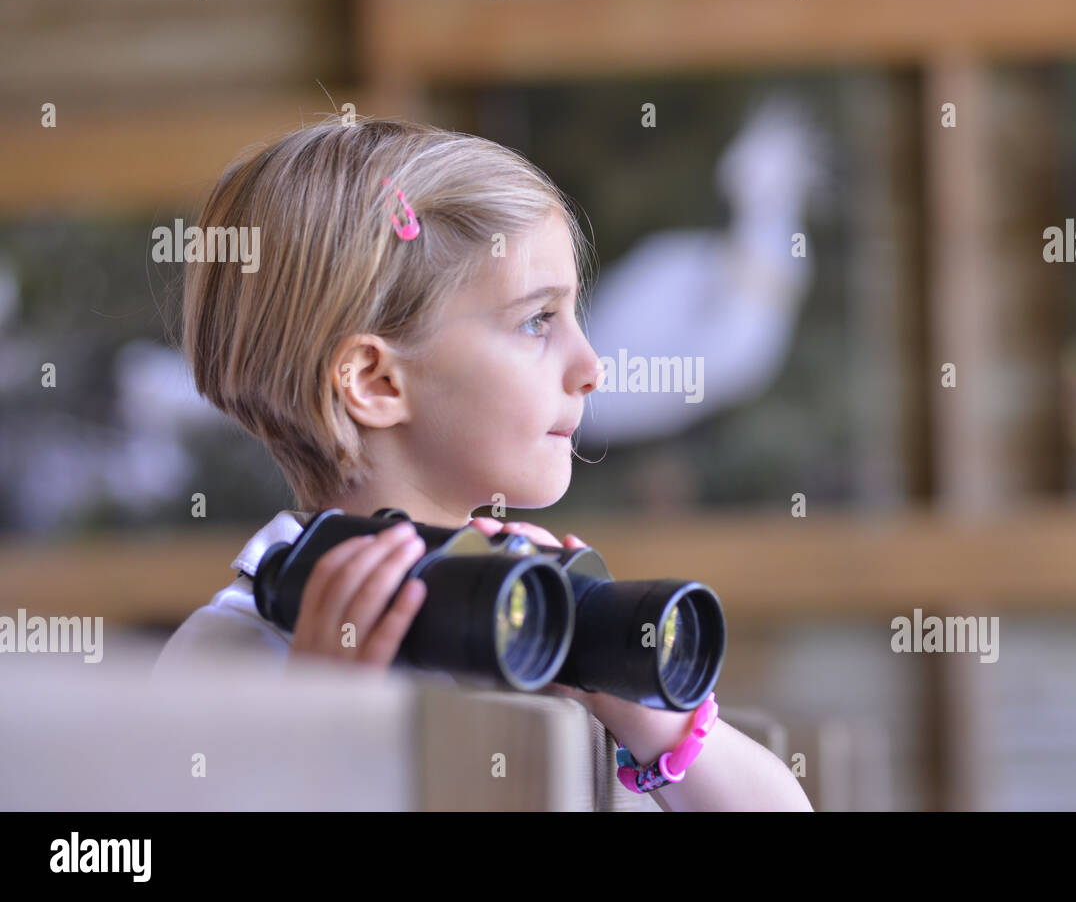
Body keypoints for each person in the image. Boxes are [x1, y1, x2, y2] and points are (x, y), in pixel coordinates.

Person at [154, 116, 812, 811]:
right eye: (537, 321)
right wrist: (319, 728)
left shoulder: (542, 621)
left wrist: (651, 718)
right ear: (375, 382)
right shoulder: (238, 651)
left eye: (576, 314)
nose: (593, 366)